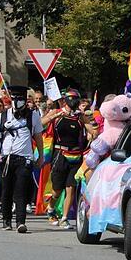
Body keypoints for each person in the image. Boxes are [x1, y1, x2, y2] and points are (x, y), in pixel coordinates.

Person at [0, 85, 44, 233]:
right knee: (6, 190)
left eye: (20, 98)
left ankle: (21, 222)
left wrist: (40, 155)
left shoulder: (33, 116)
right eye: (14, 98)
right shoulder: (4, 115)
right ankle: (6, 220)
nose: (17, 101)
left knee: (21, 190)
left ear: (25, 100)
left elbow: (38, 136)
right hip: (7, 158)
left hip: (24, 159)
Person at [42, 89, 90, 229]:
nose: (73, 101)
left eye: (76, 99)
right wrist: (54, 116)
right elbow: (40, 123)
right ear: (65, 100)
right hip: (60, 154)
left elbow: (94, 131)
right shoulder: (57, 112)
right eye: (71, 98)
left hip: (76, 155)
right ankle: (51, 208)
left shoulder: (80, 117)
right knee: (57, 190)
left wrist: (91, 120)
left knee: (71, 188)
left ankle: (64, 218)